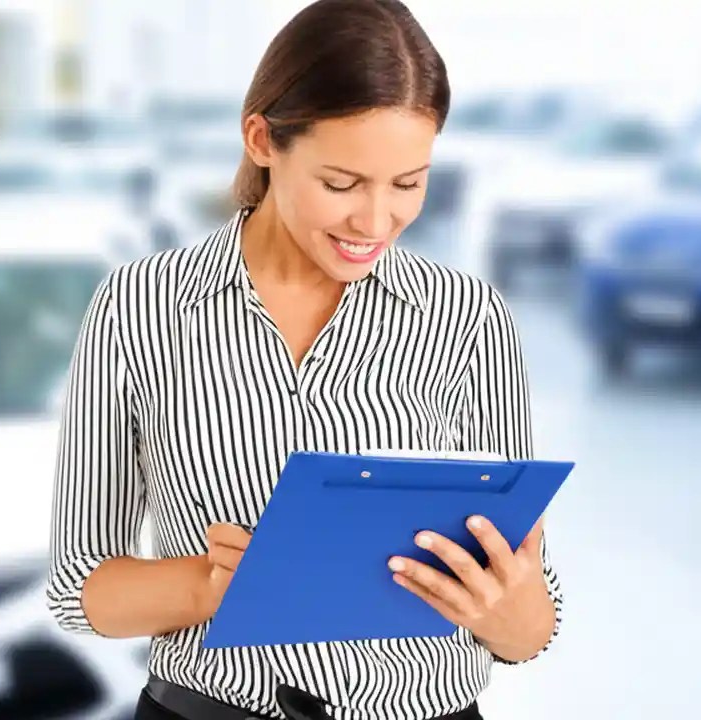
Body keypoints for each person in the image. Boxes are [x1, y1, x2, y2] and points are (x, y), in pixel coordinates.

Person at [44, 2, 563, 719]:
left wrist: (505, 610)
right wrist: (209, 586)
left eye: (408, 184)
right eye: (341, 184)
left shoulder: (467, 317)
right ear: (262, 139)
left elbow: (533, 622)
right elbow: (78, 588)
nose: (374, 221)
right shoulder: (140, 305)